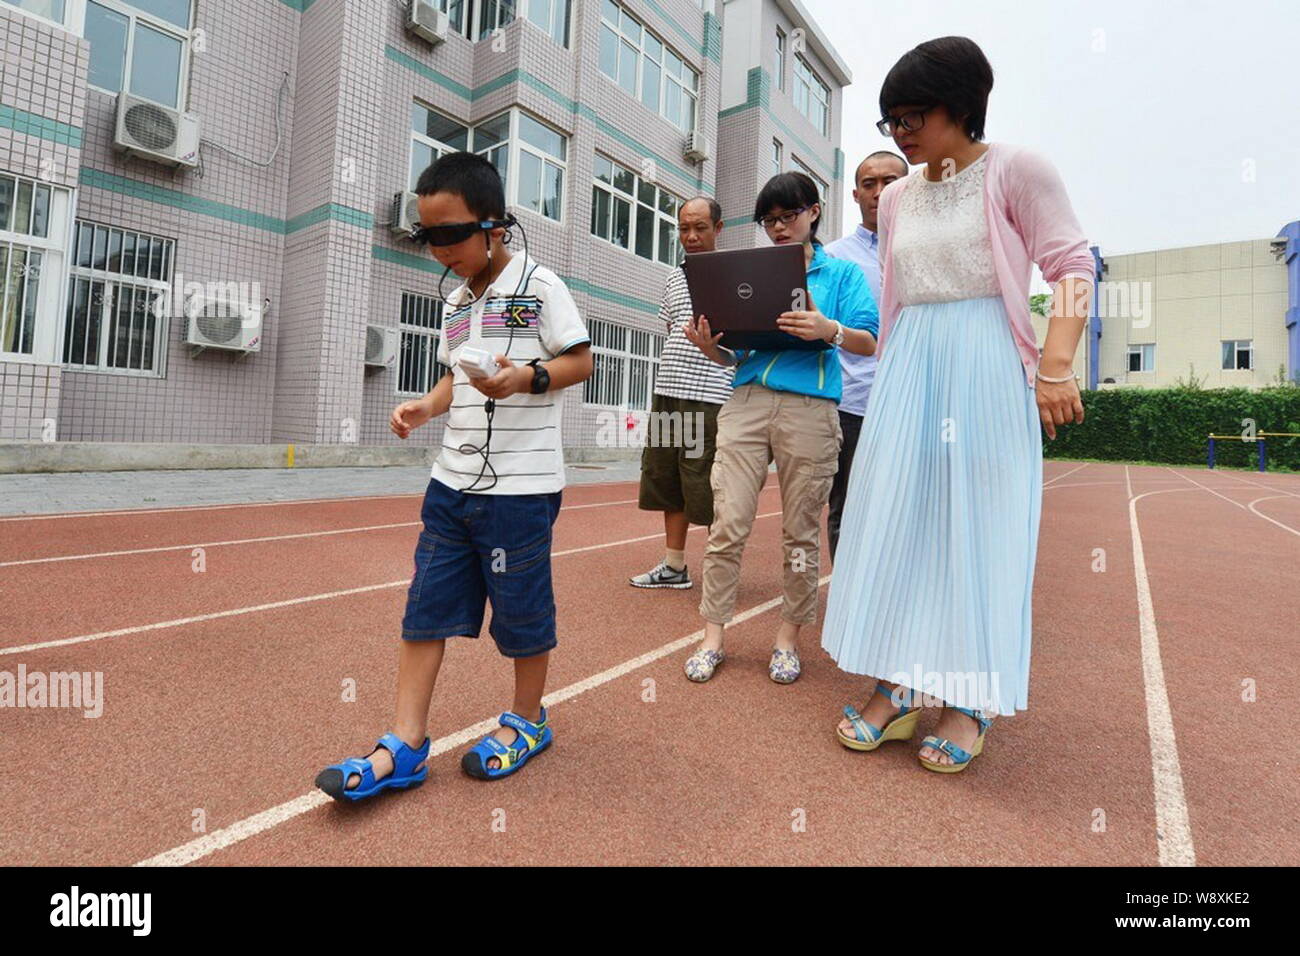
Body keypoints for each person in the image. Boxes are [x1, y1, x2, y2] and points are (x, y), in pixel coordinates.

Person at [822, 37, 1091, 772]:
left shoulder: (1016, 169)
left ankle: (969, 697)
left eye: (913, 115)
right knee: (900, 521)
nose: (900, 132)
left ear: (962, 106)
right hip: (911, 368)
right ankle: (903, 681)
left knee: (979, 526)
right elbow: (896, 299)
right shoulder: (898, 197)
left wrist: (1055, 367)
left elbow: (1072, 265)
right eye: (891, 119)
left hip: (986, 364)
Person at [315, 152, 592, 798]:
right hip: (450, 485)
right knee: (426, 607)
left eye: (451, 234)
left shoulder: (539, 287)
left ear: (495, 225)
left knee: (522, 614)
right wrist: (425, 406)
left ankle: (527, 720)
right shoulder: (459, 304)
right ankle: (407, 742)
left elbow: (580, 361)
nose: (439, 250)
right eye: (428, 236)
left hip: (520, 491)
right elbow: (453, 375)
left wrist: (526, 378)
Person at [682, 171, 878, 684]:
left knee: (801, 532)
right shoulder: (750, 270)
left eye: (788, 216)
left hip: (811, 408)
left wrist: (828, 329)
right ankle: (712, 637)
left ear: (814, 211)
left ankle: (788, 639)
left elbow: (869, 341)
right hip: (746, 400)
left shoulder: (842, 274)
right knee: (727, 522)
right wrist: (712, 349)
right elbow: (738, 353)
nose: (778, 228)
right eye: (768, 220)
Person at [630, 198, 734, 589]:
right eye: (684, 228)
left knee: (704, 482)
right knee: (666, 476)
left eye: (700, 228)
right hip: (668, 391)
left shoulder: (733, 275)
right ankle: (674, 566)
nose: (690, 236)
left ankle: (721, 570)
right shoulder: (674, 276)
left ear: (718, 229)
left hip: (708, 395)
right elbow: (671, 329)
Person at [823, 151, 906, 562]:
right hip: (852, 404)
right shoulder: (834, 258)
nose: (880, 192)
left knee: (908, 507)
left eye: (890, 182)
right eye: (869, 184)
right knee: (846, 507)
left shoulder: (926, 250)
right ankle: (845, 595)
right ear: (855, 195)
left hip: (912, 401)